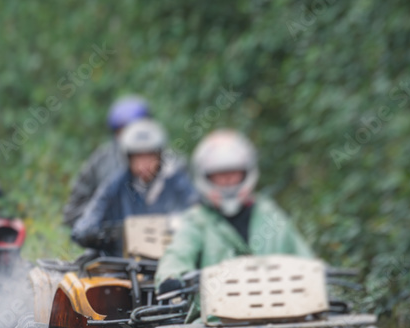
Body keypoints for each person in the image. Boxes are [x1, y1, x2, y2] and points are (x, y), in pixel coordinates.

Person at [156, 130, 314, 293]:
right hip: (214, 315)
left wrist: (317, 278)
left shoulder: (270, 215)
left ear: (246, 173)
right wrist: (171, 277)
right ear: (205, 177)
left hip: (281, 309)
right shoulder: (197, 221)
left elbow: (304, 257)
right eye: (220, 176)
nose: (228, 182)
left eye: (233, 174)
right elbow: (178, 254)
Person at [71, 118, 197, 256]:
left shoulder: (176, 179)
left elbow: (197, 218)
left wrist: (173, 226)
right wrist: (112, 235)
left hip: (171, 259)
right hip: (124, 264)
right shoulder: (117, 183)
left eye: (149, 156)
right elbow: (83, 228)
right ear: (128, 158)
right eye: (138, 157)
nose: (143, 164)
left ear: (159, 156)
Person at [62, 95, 150, 228]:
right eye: (120, 132)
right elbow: (72, 211)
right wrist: (103, 218)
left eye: (130, 132)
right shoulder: (102, 160)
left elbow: (186, 207)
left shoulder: (167, 161)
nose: (125, 138)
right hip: (109, 238)